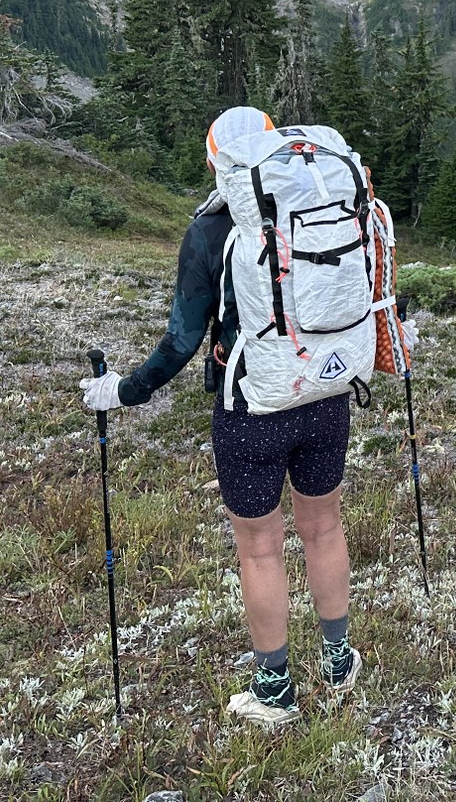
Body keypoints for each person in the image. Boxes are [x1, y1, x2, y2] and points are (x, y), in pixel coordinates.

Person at [79, 105, 363, 729]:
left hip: (252, 407)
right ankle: (340, 663)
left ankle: (276, 690)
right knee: (324, 527)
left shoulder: (211, 230)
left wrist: (124, 391)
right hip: (327, 390)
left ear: (215, 158)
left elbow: (183, 340)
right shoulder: (320, 202)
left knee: (261, 548)